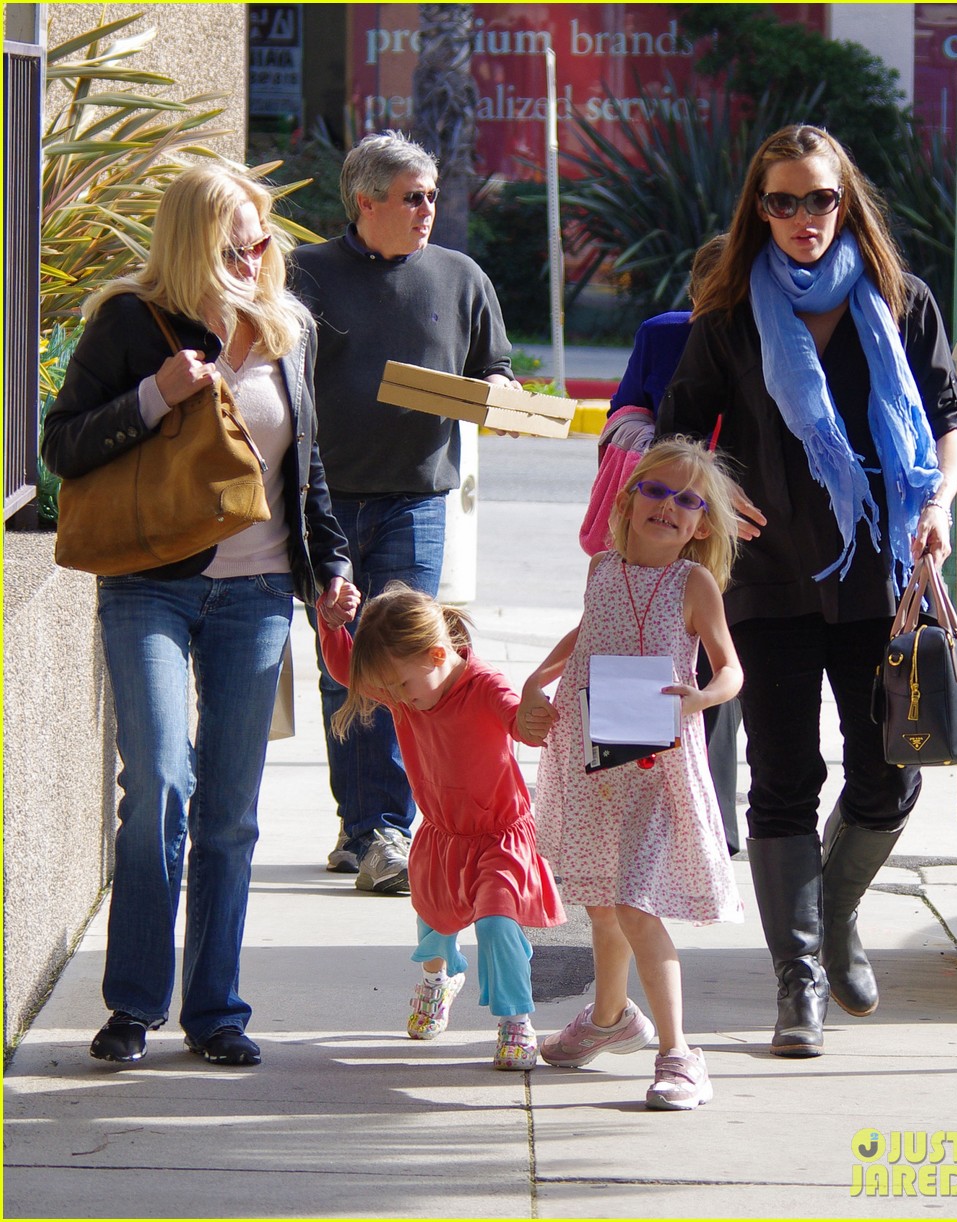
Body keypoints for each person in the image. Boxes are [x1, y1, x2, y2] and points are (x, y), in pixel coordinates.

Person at [657, 124, 957, 1058]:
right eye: (782, 201)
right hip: (768, 579)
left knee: (890, 775)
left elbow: (946, 420)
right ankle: (798, 985)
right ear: (759, 207)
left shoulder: (900, 302)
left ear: (846, 201)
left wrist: (939, 502)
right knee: (782, 779)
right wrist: (718, 492)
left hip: (883, 580)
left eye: (819, 199)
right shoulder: (727, 313)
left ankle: (833, 912)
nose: (801, 218)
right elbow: (679, 433)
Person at [41, 164, 361, 1067]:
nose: (255, 256)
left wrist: (330, 568)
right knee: (158, 789)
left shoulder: (283, 332)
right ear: (192, 241)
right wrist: (156, 397)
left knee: (230, 812)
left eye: (263, 240)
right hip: (148, 582)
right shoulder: (128, 323)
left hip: (258, 594)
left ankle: (216, 1010)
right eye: (236, 242)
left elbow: (308, 472)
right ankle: (133, 1006)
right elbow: (60, 443)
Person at [290, 130, 519, 895]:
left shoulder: (460, 276)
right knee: (344, 663)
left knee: (403, 660)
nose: (430, 210)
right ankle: (364, 828)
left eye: (432, 195)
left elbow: (496, 368)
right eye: (413, 197)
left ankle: (387, 828)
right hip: (321, 502)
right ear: (365, 201)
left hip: (417, 498)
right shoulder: (304, 275)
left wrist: (504, 396)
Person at [520, 437, 744, 1111]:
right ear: (627, 499)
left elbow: (730, 666)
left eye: (688, 501)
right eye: (656, 491)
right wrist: (537, 679)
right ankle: (610, 1019)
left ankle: (678, 1052)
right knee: (601, 899)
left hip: (657, 765)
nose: (669, 507)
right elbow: (586, 631)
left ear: (702, 524)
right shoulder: (600, 570)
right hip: (593, 759)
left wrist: (706, 695)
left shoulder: (693, 583)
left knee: (636, 906)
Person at [316, 583, 565, 1070]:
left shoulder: (485, 685)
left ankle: (515, 1022)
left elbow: (517, 721)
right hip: (442, 835)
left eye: (399, 687)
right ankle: (438, 978)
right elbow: (346, 669)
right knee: (435, 924)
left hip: (499, 836)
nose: (391, 698)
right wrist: (331, 626)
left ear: (435, 655)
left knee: (498, 924)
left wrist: (533, 721)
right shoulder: (407, 692)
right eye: (388, 689)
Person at [580, 234, 742, 856]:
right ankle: (629, 810)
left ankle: (708, 824)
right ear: (696, 293)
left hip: (734, 527)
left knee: (715, 671)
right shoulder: (663, 333)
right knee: (644, 658)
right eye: (712, 299)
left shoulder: (772, 341)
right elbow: (623, 414)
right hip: (668, 520)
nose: (719, 314)